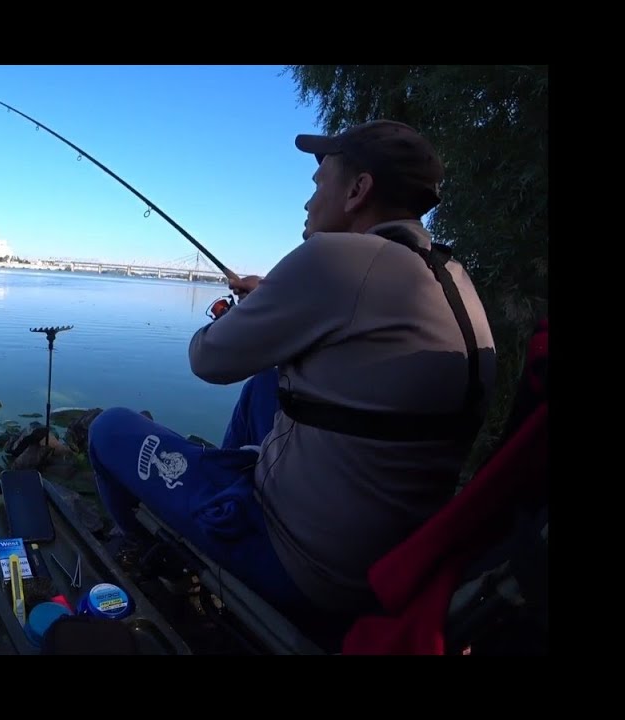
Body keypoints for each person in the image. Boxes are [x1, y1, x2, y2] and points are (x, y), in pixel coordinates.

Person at [87, 119, 497, 621]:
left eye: (318, 183)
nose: (307, 202)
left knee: (109, 429)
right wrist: (275, 306)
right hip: (395, 555)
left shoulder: (334, 257)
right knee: (267, 377)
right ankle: (225, 477)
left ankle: (146, 548)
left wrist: (240, 313)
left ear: (357, 190)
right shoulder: (453, 278)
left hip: (310, 570)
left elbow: (207, 358)